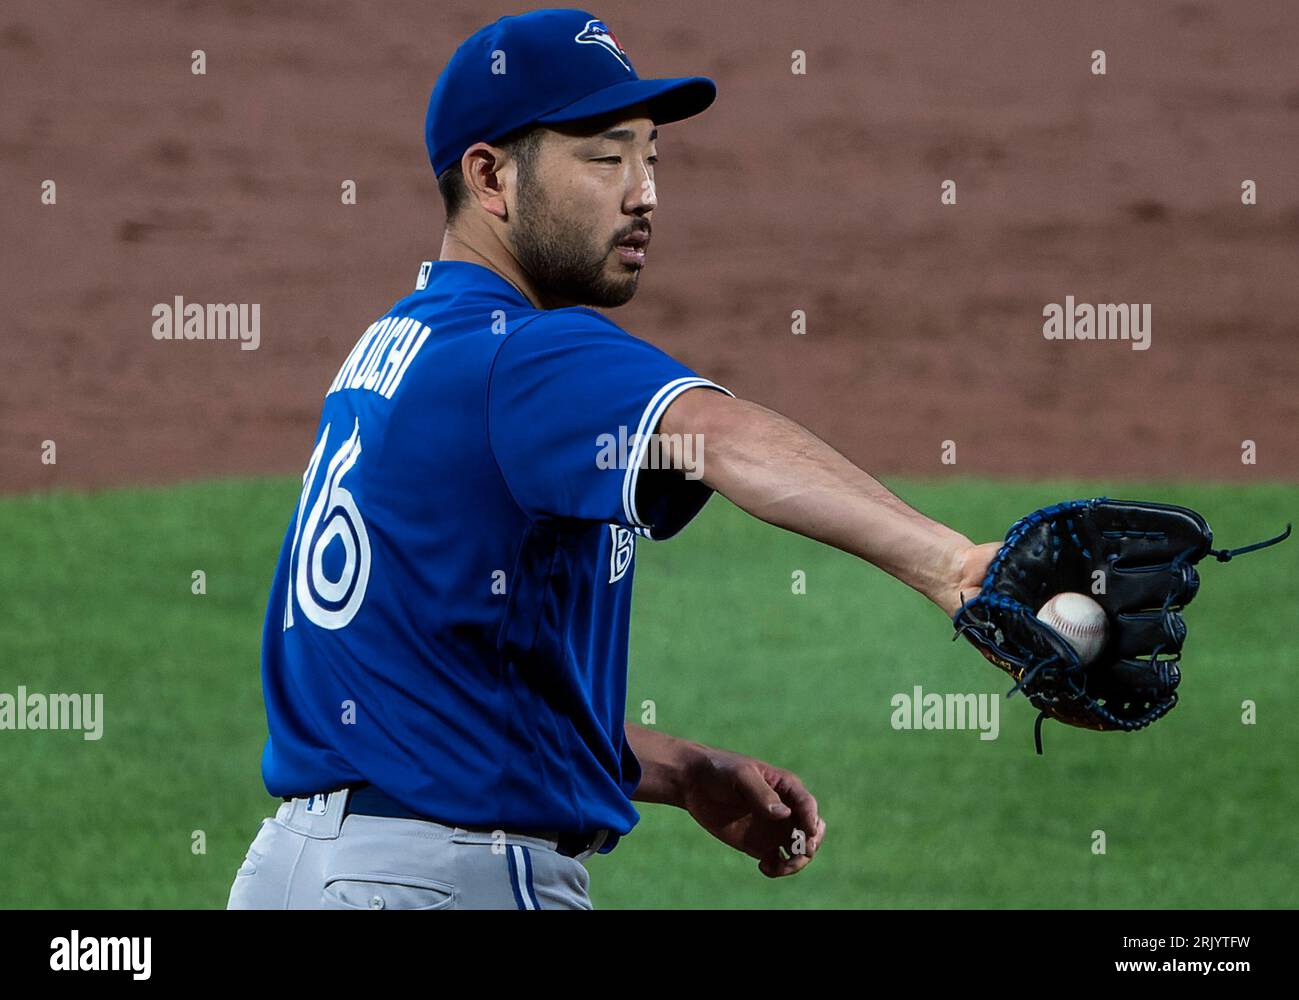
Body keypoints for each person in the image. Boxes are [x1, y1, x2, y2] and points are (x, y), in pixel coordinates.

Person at [227, 9, 997, 911]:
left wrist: (678, 770)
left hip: (297, 874)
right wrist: (957, 566)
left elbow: (429, 687)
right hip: (448, 884)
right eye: (605, 158)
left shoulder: (390, 352)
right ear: (491, 178)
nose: (644, 195)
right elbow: (724, 436)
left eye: (652, 158)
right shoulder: (523, 353)